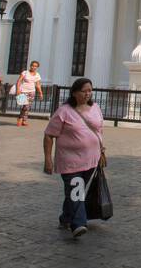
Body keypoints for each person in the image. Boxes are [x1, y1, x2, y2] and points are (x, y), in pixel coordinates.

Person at [43, 77, 107, 239]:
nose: (87, 94)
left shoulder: (95, 108)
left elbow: (99, 131)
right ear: (74, 93)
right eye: (84, 91)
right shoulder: (64, 111)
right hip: (70, 161)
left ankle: (66, 217)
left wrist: (101, 150)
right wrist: (48, 159)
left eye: (89, 91)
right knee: (77, 191)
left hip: (91, 159)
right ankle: (78, 223)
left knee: (75, 191)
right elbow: (49, 135)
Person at [12, 60, 43, 127]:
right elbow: (19, 81)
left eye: (35, 66)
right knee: (25, 106)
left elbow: (38, 85)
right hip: (23, 91)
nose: (34, 67)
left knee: (27, 107)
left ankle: (24, 120)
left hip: (32, 92)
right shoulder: (25, 72)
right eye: (33, 65)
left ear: (37, 67)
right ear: (30, 66)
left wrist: (40, 93)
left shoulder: (37, 75)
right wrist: (18, 90)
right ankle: (20, 118)